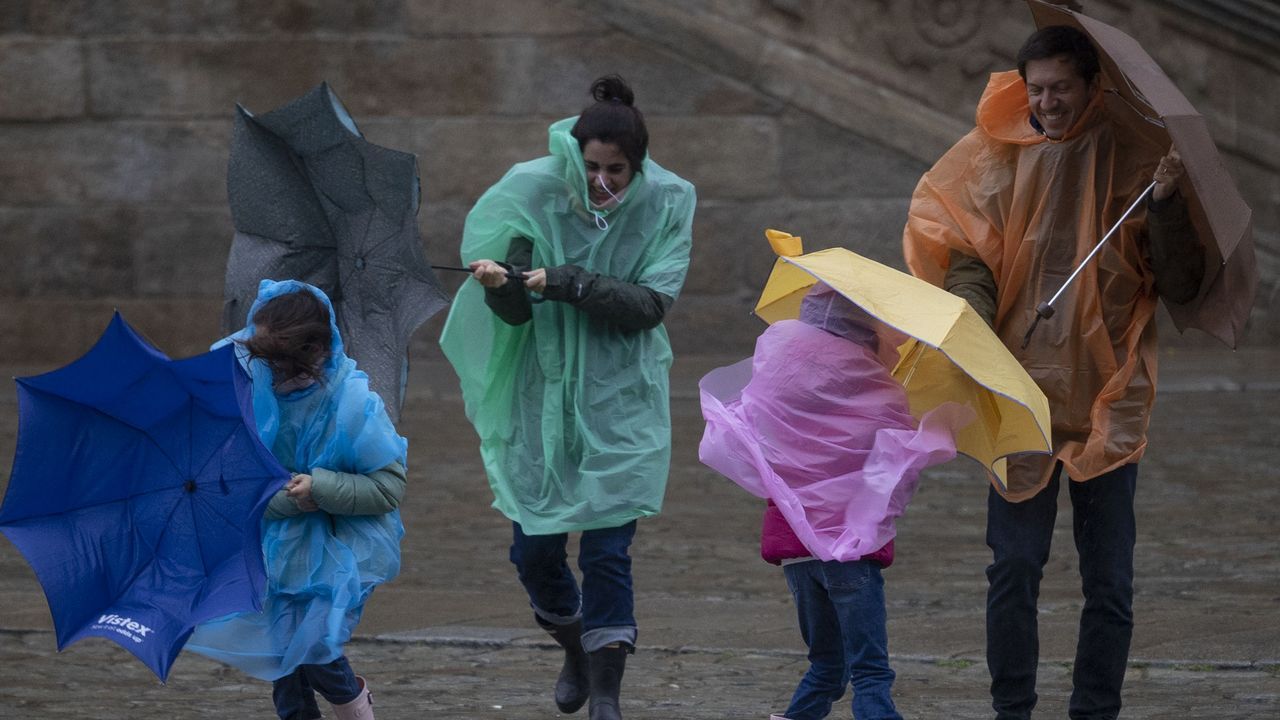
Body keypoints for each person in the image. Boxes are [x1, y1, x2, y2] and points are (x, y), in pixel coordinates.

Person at [902, 25, 1205, 720]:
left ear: (1091, 86)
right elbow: (967, 258)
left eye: (1060, 88)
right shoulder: (998, 158)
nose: (1047, 103)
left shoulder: (1138, 163)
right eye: (1035, 90)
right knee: (1012, 570)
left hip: (1108, 393)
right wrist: (970, 321)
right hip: (1018, 393)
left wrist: (1163, 205)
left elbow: (1181, 281)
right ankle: (1013, 709)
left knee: (1110, 582)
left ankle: (1094, 710)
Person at [438, 74, 695, 720]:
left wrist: (573, 283)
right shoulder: (537, 195)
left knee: (609, 552)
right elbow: (518, 315)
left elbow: (650, 306)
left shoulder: (669, 203)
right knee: (536, 551)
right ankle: (575, 645)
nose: (603, 182)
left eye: (617, 171)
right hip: (542, 404)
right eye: (592, 168)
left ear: (638, 166)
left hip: (622, 402)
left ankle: (607, 690)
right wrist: (502, 285)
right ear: (572, 160)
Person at [699, 283, 972, 720]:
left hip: (796, 554)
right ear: (870, 329)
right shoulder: (876, 390)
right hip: (852, 551)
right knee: (869, 671)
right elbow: (891, 474)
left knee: (826, 666)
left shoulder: (775, 375)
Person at [187, 279, 408, 720]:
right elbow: (230, 482)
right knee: (280, 655)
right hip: (269, 544)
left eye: (291, 364)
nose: (279, 376)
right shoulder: (245, 388)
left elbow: (387, 487)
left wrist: (320, 488)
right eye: (269, 363)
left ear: (322, 351)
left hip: (337, 545)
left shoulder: (353, 404)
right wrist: (281, 497)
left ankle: (352, 703)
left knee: (315, 645)